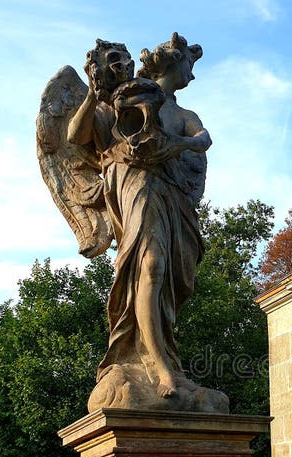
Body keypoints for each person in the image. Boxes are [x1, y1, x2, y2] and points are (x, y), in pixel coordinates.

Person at [68, 34, 213, 402]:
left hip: (172, 197)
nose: (192, 75)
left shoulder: (182, 114)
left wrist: (176, 144)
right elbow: (75, 136)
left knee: (169, 281)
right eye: (189, 65)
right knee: (150, 265)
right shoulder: (120, 101)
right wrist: (93, 94)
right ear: (172, 63)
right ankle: (161, 367)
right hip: (135, 188)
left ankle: (160, 356)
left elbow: (203, 139)